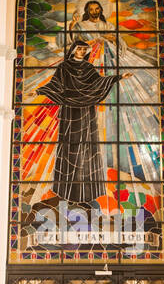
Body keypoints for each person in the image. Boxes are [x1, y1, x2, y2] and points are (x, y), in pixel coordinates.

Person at [39, 39, 121, 204]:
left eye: (85, 50)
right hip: (70, 110)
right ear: (74, 50)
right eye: (79, 49)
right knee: (69, 146)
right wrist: (40, 90)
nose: (82, 52)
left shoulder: (89, 68)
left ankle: (88, 192)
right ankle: (66, 190)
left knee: (87, 146)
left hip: (86, 111)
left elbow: (99, 82)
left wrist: (116, 78)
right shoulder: (64, 67)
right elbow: (55, 84)